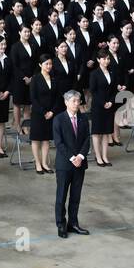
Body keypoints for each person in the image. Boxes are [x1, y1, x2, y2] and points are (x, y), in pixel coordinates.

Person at [52, 91, 90, 238]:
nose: (77, 103)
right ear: (66, 102)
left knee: (76, 195)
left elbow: (87, 139)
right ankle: (61, 224)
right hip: (65, 164)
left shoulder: (83, 118)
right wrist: (72, 157)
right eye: (74, 101)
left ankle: (73, 223)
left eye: (78, 101)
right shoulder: (59, 119)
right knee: (61, 195)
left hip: (79, 164)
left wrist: (80, 156)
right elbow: (59, 143)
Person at [28, 54, 57, 173]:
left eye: (50, 64)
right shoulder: (35, 79)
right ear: (40, 65)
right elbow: (33, 98)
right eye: (46, 64)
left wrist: (52, 111)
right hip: (38, 113)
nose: (49, 66)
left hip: (50, 113)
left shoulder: (53, 78)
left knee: (46, 140)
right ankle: (38, 163)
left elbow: (57, 98)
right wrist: (44, 112)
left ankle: (45, 163)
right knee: (36, 139)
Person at [88, 51, 115, 166]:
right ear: (98, 60)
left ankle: (104, 156)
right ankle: (98, 156)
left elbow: (114, 90)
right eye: (104, 59)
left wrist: (111, 102)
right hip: (98, 106)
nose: (106, 61)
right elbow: (93, 91)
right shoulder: (94, 74)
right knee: (97, 132)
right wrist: (103, 103)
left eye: (108, 59)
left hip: (109, 106)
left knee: (106, 132)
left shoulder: (112, 73)